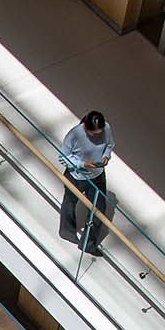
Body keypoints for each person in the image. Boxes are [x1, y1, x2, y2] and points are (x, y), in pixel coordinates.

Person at [57, 110, 116, 258]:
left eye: (99, 133)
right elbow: (63, 158)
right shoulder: (74, 135)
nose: (97, 137)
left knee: (99, 209)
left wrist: (105, 156)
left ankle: (88, 244)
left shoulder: (106, 128)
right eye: (93, 134)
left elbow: (109, 145)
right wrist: (83, 164)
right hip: (76, 176)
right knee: (70, 202)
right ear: (84, 127)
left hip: (97, 175)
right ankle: (67, 232)